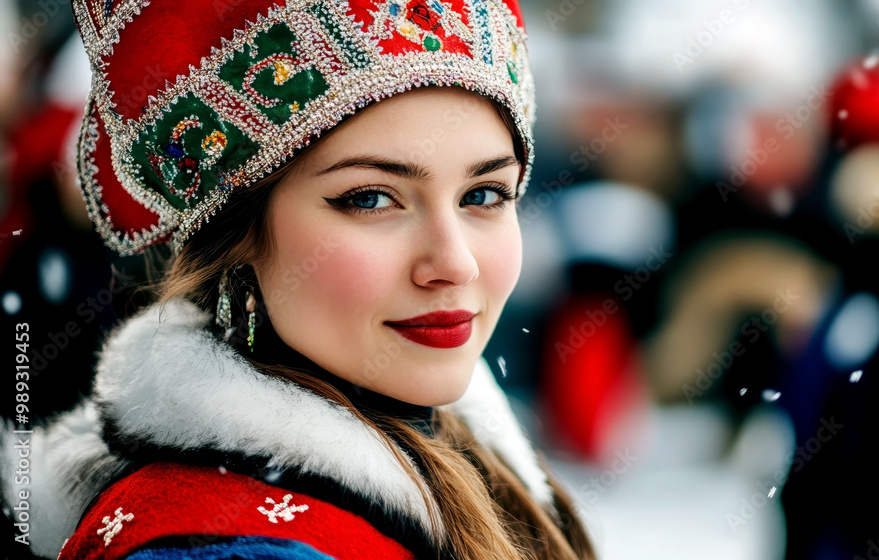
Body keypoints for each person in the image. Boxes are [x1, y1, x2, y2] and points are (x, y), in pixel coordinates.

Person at [1, 1, 596, 559]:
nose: (456, 262)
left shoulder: (468, 447)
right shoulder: (220, 544)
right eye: (370, 199)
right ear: (238, 237)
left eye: (485, 194)